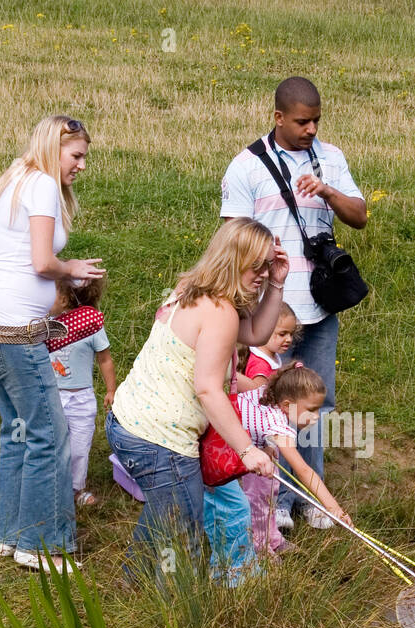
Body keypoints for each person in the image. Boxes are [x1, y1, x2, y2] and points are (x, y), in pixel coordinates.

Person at [220, 76, 367, 534]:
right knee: (266, 405)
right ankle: (275, 498)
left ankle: (312, 495)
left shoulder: (331, 158)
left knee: (317, 404)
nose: (311, 130)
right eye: (302, 121)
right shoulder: (245, 168)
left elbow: (359, 216)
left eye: (317, 121)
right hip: (269, 311)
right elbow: (233, 239)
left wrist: (326, 191)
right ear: (278, 117)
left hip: (319, 307)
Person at [105, 217, 284, 576]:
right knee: (182, 535)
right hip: (161, 439)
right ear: (233, 260)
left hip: (126, 422)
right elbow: (207, 388)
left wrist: (277, 284)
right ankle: (175, 615)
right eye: (256, 265)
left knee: (163, 512)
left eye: (267, 264)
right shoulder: (220, 313)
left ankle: (131, 582)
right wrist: (247, 450)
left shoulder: (193, 288)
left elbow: (256, 332)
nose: (263, 272)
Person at [0, 115, 105, 573]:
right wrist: (74, 269)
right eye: (77, 155)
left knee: (19, 430)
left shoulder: (16, 175)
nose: (82, 165)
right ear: (55, 148)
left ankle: (10, 533)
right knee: (50, 433)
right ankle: (41, 545)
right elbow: (43, 262)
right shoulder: (43, 183)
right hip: (14, 333)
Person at [239, 364, 352, 557]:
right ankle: (260, 550)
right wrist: (334, 510)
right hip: (235, 455)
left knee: (269, 492)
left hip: (252, 449)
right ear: (286, 405)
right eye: (311, 410)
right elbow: (303, 470)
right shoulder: (277, 424)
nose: (316, 417)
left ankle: (272, 537)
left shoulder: (270, 394)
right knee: (257, 501)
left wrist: (263, 446)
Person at [48, 275, 116, 508]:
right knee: (52, 444)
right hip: (53, 396)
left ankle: (77, 489)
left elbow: (105, 359)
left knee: (79, 448)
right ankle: (51, 487)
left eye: (51, 292)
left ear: (65, 300)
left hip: (81, 399)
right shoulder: (47, 324)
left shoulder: (90, 327)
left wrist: (111, 389)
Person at [240, 302, 297, 390]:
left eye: (291, 334)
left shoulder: (271, 357)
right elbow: (260, 398)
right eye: (282, 334)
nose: (289, 339)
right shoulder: (260, 365)